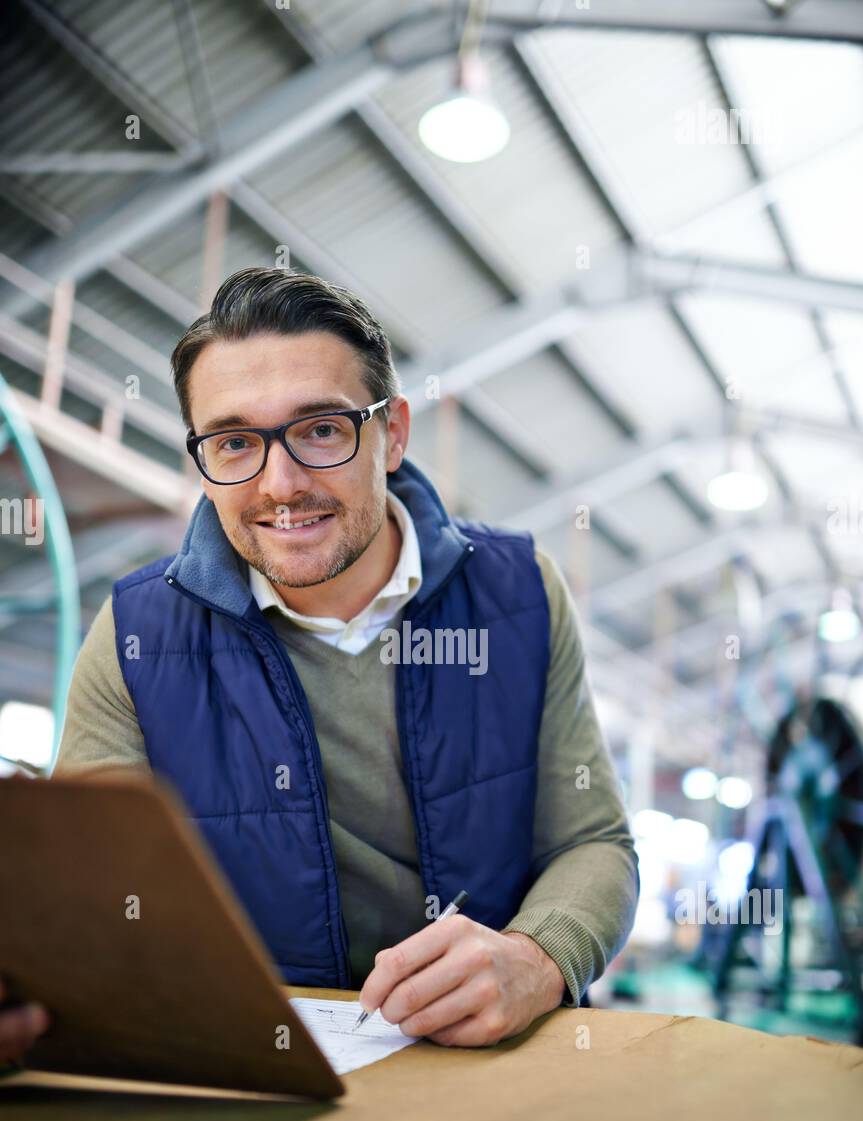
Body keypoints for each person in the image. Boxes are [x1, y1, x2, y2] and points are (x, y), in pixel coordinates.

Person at [3, 267, 638, 1061]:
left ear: (392, 432)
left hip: (481, 1065)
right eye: (234, 441)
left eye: (321, 430)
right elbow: (100, 891)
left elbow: (593, 841)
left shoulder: (517, 595)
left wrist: (539, 957)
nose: (281, 484)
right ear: (201, 458)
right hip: (253, 1073)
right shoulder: (136, 634)